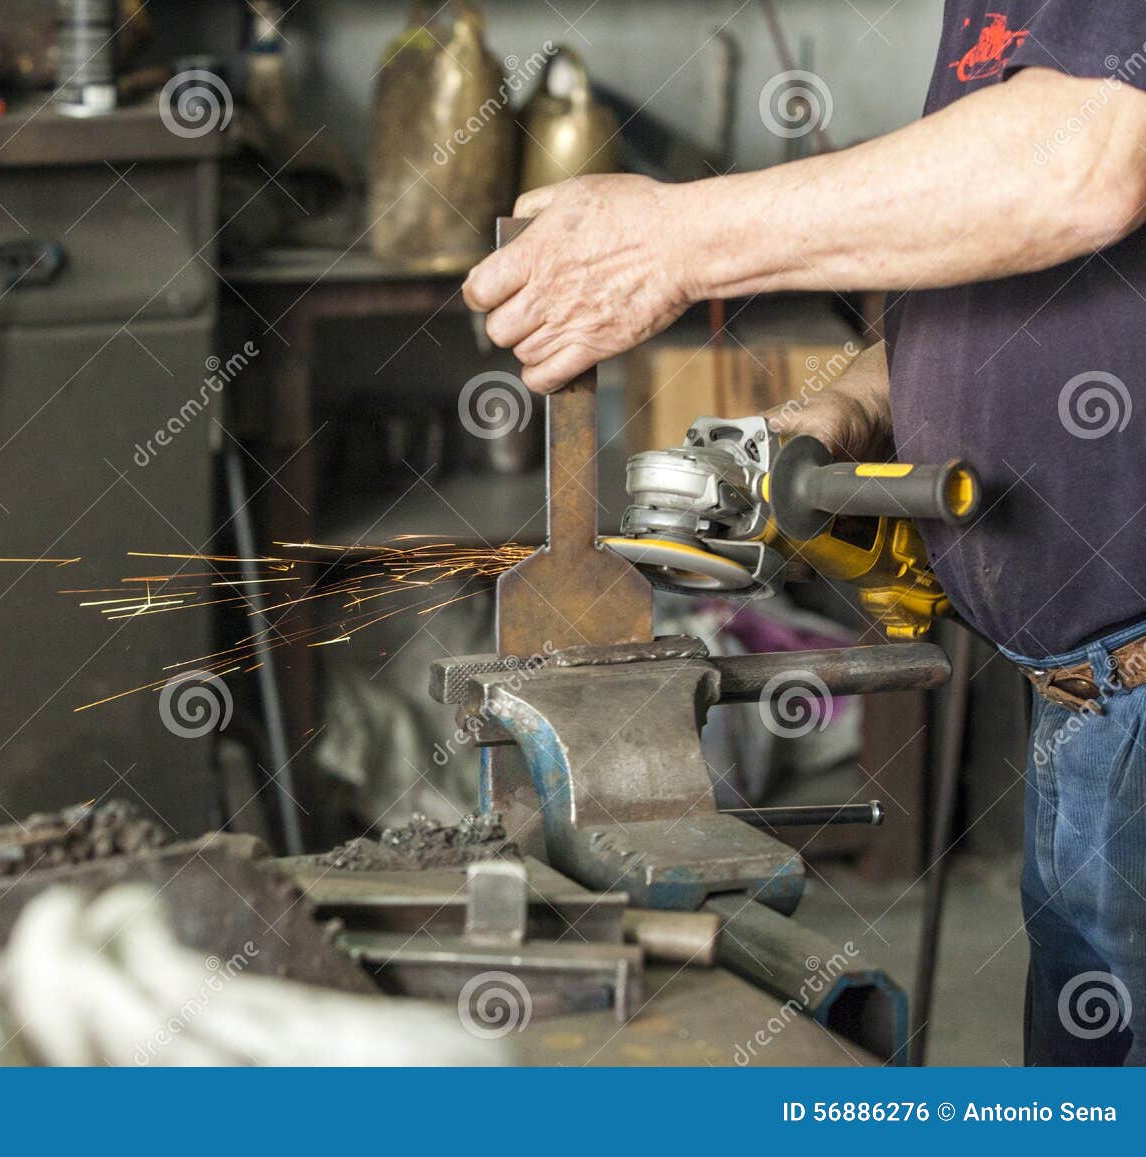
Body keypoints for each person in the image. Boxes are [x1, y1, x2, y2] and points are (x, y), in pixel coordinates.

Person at [464, 5, 1146, 1066]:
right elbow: (1007, 248)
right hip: (1089, 706)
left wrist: (675, 238)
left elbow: (1085, 160)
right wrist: (862, 401)